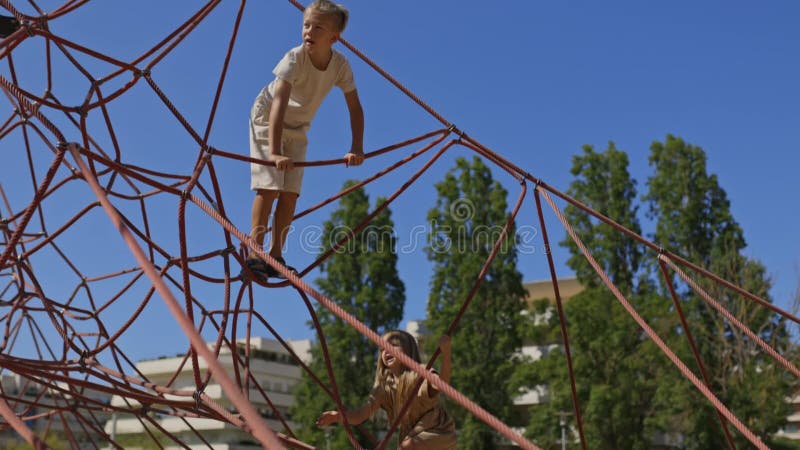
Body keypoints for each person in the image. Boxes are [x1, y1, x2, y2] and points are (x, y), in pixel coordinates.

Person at [245, 0, 364, 280]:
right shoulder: (293, 59)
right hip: (267, 118)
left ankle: (275, 255)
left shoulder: (340, 66)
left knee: (290, 193)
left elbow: (355, 107)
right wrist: (274, 152)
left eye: (317, 27)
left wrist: (356, 147)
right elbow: (278, 104)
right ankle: (254, 251)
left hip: (298, 126)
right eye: (306, 25)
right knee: (270, 186)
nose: (308, 31)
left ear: (334, 38)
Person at [316, 330, 457, 449]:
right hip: (411, 435)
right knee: (406, 445)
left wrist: (446, 355)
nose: (386, 351)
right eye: (382, 349)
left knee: (407, 446)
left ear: (408, 349)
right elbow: (360, 415)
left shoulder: (420, 373)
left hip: (436, 431)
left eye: (393, 345)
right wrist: (338, 416)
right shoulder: (383, 388)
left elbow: (443, 385)